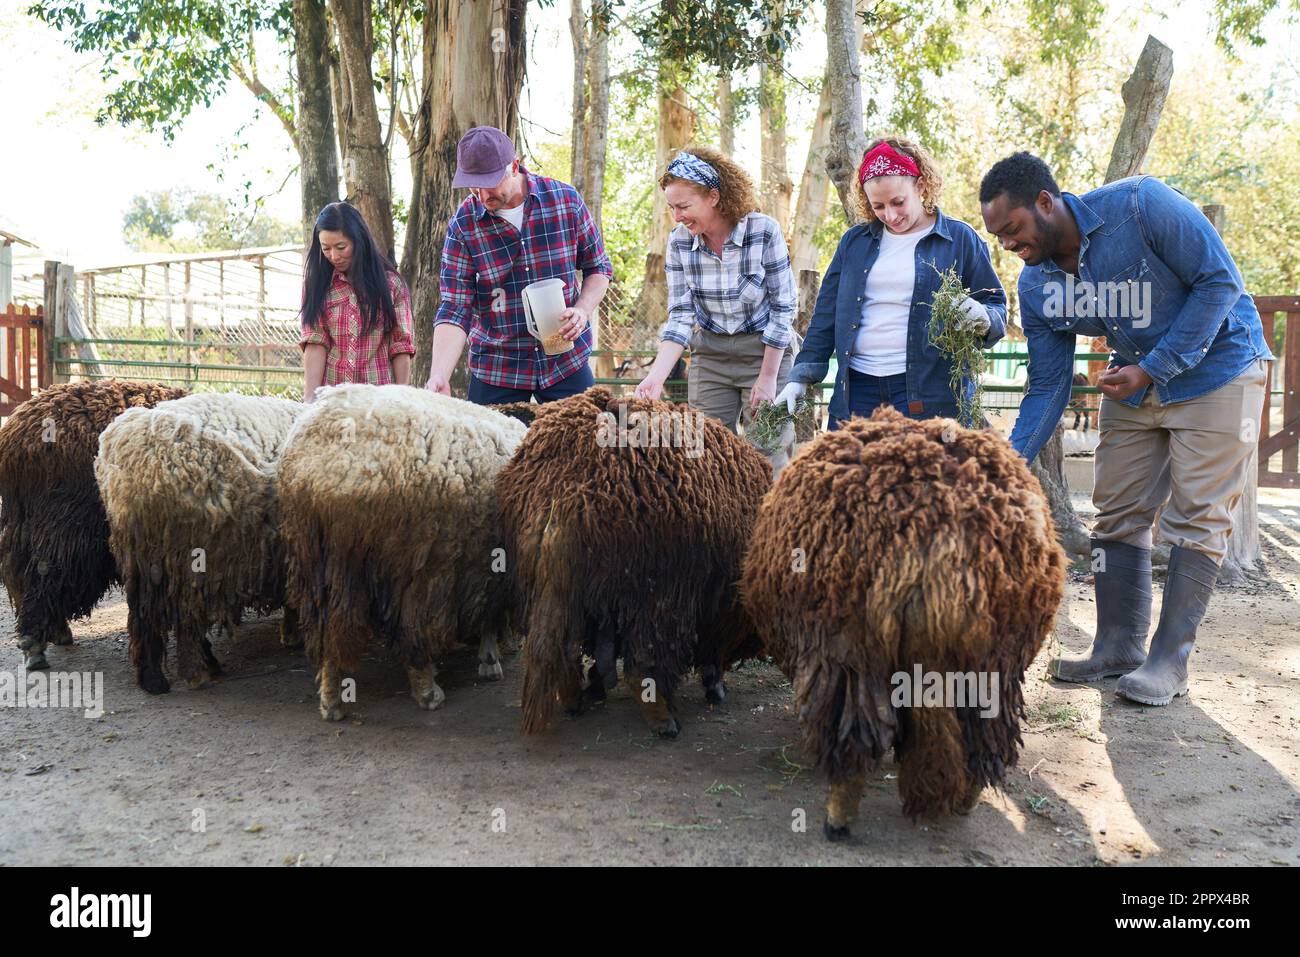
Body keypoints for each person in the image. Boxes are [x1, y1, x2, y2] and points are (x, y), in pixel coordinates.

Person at [979, 152, 1272, 706]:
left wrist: (1152, 367)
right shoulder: (1038, 287)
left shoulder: (1141, 205)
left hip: (1221, 370)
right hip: (1137, 383)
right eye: (998, 236)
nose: (1009, 245)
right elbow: (1047, 385)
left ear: (1046, 202)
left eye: (1013, 229)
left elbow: (1219, 283)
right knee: (1116, 510)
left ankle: (1169, 662)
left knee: (1197, 517)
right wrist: (1007, 463)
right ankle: (1116, 644)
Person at [777, 137, 1006, 428]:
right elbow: (826, 315)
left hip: (929, 394)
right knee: (849, 471)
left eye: (898, 202)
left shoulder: (960, 240)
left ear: (920, 187)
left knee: (926, 471)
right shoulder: (854, 243)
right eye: (879, 206)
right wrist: (801, 376)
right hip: (857, 392)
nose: (891, 215)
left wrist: (985, 318)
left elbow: (996, 304)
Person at [428, 125, 612, 404]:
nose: (480, 193)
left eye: (489, 182)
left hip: (564, 361)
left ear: (514, 166)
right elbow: (455, 306)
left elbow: (598, 267)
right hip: (498, 366)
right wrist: (439, 374)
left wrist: (582, 310)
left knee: (586, 442)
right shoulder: (463, 224)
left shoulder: (565, 201)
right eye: (472, 184)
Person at [633, 146, 797, 432]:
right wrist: (655, 378)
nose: (677, 216)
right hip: (711, 356)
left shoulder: (763, 232)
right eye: (671, 208)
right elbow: (681, 317)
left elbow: (783, 309)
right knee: (707, 451)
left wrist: (768, 377)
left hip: (764, 352)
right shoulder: (679, 242)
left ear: (713, 196)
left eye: (683, 206)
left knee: (769, 447)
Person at [300, 201, 415, 401]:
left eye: (341, 247)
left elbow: (400, 345)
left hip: (379, 399)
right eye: (326, 248)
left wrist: (402, 398)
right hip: (333, 398)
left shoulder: (392, 285)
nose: (334, 256)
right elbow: (315, 342)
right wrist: (309, 401)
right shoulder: (317, 285)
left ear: (359, 240)